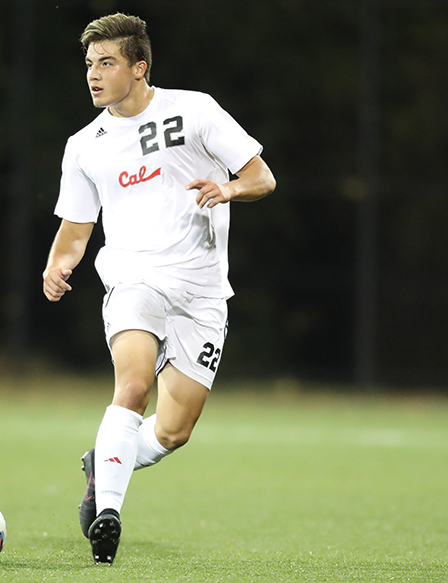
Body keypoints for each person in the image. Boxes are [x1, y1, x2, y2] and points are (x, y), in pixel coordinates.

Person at [42, 12, 276, 565]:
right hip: (133, 278)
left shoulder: (193, 110)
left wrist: (228, 188)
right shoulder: (85, 146)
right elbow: (76, 230)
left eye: (107, 63)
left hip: (202, 291)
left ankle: (105, 458)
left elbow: (262, 177)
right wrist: (58, 265)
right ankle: (109, 515)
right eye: (89, 65)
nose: (93, 76)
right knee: (134, 385)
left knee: (174, 431)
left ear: (139, 67)